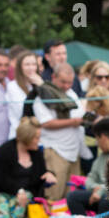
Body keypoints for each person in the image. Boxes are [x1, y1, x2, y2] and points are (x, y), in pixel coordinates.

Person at [0, 117, 56, 218]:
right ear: (27, 138)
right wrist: (18, 191)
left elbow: (41, 175)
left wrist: (49, 174)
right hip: (3, 193)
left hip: (27, 195)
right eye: (36, 138)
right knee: (2, 203)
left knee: (24, 198)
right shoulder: (5, 151)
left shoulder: (36, 153)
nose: (39, 141)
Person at [32, 62, 86, 201]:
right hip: (55, 151)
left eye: (70, 82)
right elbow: (46, 123)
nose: (66, 86)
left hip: (73, 152)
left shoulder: (72, 94)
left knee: (73, 195)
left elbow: (80, 114)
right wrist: (74, 122)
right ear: (53, 76)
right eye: (63, 82)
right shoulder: (42, 96)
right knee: (54, 195)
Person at [6, 49, 45, 140]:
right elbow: (22, 112)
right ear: (20, 67)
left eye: (34, 64)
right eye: (27, 64)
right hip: (19, 136)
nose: (31, 68)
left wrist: (42, 86)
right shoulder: (12, 86)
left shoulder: (41, 84)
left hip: (39, 137)